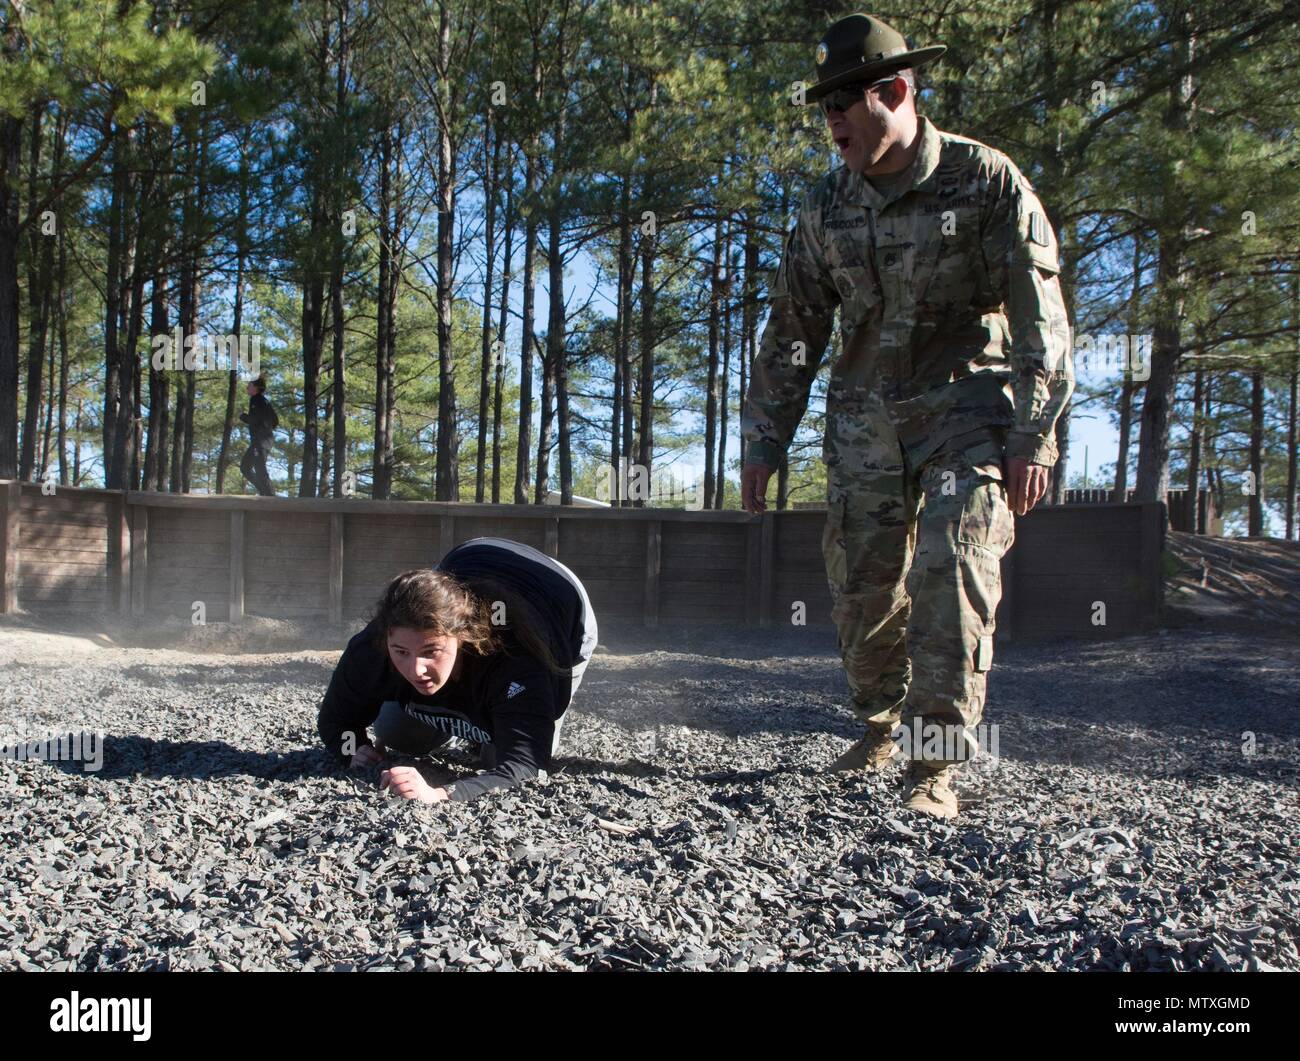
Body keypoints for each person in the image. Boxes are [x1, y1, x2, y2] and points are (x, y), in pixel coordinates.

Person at [740, 13, 1073, 819]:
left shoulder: (986, 181)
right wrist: (763, 438)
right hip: (864, 422)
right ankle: (879, 725)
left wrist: (1035, 433)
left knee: (950, 569)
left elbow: (1043, 320)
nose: (833, 123)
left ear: (896, 91)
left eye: (846, 103)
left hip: (968, 412)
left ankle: (933, 765)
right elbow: (794, 330)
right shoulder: (826, 207)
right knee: (861, 589)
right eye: (824, 109)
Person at [317, 537, 599, 804]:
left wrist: (441, 794)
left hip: (560, 596)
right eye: (401, 652)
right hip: (465, 562)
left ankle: (484, 728)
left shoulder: (517, 659)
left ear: (462, 637)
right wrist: (352, 750)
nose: (416, 668)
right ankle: (467, 723)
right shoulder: (370, 649)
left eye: (431, 652)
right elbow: (336, 723)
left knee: (499, 759)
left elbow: (524, 766)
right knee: (395, 734)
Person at [238, 376, 278, 496]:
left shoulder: (256, 399)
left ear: (255, 387)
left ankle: (270, 497)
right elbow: (275, 420)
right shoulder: (265, 401)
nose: (247, 387)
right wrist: (266, 427)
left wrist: (242, 416)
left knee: (259, 469)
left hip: (261, 441)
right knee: (245, 467)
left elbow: (254, 420)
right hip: (262, 441)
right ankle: (265, 492)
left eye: (249, 385)